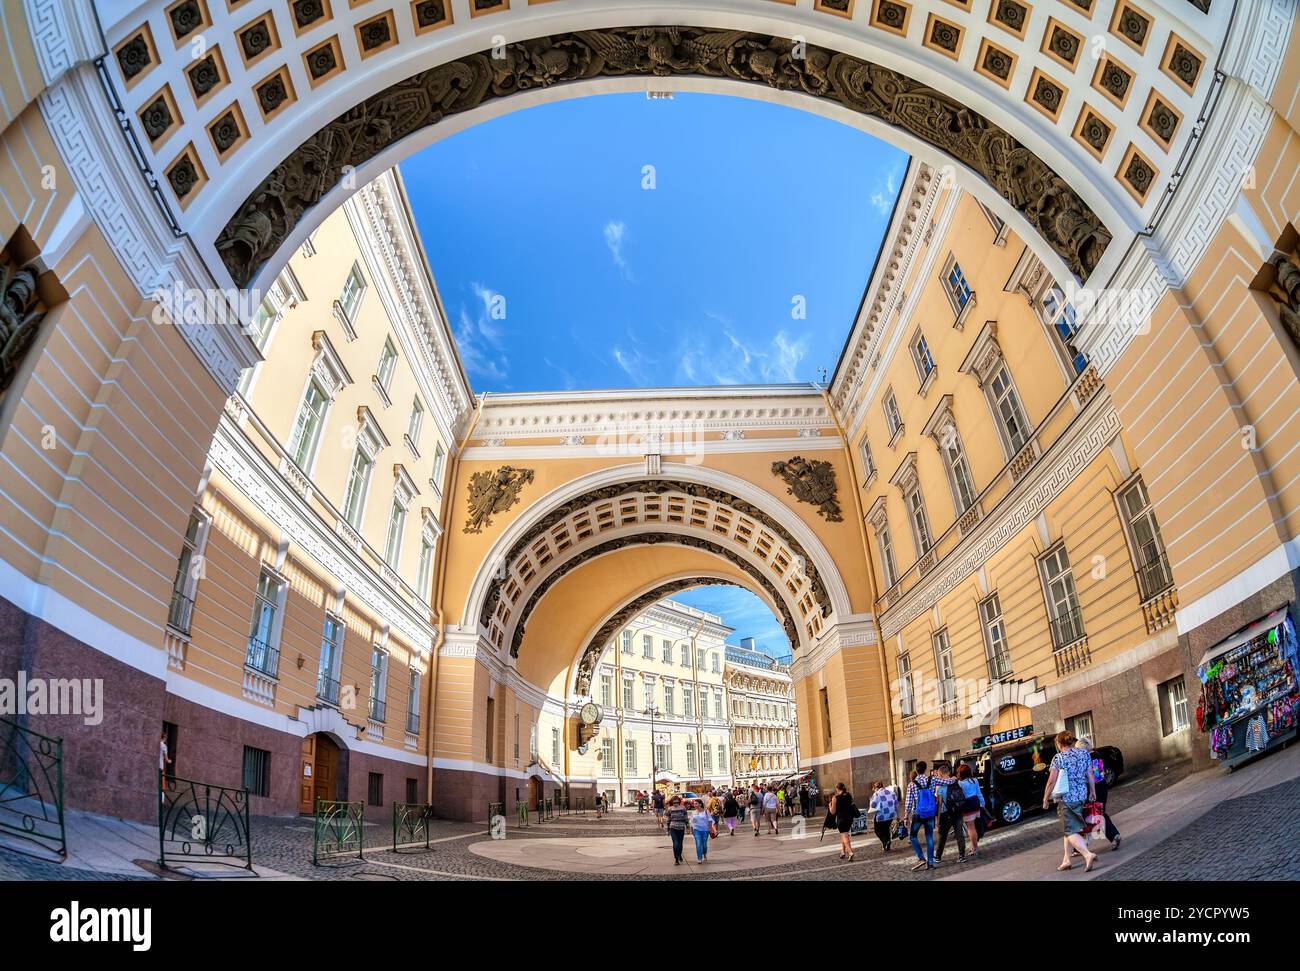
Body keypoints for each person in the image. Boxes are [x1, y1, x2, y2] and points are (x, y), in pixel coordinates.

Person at [1043, 729, 1099, 873]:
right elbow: (1090, 774)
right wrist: (1092, 791)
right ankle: (1066, 860)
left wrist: (1045, 798)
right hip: (1082, 794)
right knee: (1069, 828)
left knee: (1070, 830)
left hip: (1067, 797)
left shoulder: (1058, 758)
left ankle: (1087, 854)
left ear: (1059, 743)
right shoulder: (1084, 753)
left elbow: (1051, 781)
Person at [1078, 737, 1120, 850]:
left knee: (1095, 814)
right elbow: (1099, 774)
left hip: (1094, 789)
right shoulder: (1098, 755)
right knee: (1100, 812)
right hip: (1102, 787)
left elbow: (1091, 776)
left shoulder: (1088, 758)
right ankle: (1113, 835)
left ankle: (1113, 835)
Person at [904, 760, 940, 872]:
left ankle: (921, 858)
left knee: (913, 836)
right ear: (925, 769)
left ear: (916, 770)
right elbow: (945, 781)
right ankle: (930, 863)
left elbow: (908, 802)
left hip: (918, 813)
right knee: (929, 837)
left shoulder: (912, 784)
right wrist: (952, 779)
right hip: (930, 813)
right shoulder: (932, 779)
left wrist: (906, 816)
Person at [934, 763, 966, 864]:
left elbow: (939, 805)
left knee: (942, 836)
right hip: (958, 812)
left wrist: (937, 819)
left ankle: (938, 857)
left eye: (939, 775)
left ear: (941, 774)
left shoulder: (940, 788)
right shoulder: (957, 782)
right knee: (959, 834)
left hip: (945, 814)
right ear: (948, 772)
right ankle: (962, 856)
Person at [955, 764, 984, 857]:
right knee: (974, 827)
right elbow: (979, 793)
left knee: (970, 828)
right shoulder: (974, 780)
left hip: (967, 806)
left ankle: (975, 848)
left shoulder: (960, 783)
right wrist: (982, 803)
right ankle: (973, 847)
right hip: (976, 804)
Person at [829, 782, 857, 861]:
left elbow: (832, 812)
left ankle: (850, 852)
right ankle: (843, 852)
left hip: (841, 819)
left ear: (837, 789)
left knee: (845, 836)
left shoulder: (835, 798)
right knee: (844, 834)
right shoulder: (848, 795)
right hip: (849, 818)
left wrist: (830, 806)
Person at [868, 780, 896, 853]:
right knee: (886, 829)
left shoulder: (877, 794)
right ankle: (887, 845)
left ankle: (885, 841)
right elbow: (896, 803)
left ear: (875, 788)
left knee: (877, 830)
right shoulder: (891, 792)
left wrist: (872, 801)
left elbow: (873, 805)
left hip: (882, 815)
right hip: (891, 814)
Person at [690, 799, 716, 863]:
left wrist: (710, 828)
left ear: (700, 804)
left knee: (704, 844)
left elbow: (710, 820)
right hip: (696, 830)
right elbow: (692, 822)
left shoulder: (706, 811)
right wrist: (691, 830)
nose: (694, 805)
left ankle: (704, 854)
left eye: (696, 803)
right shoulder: (694, 812)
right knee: (698, 844)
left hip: (705, 830)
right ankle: (699, 858)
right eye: (694, 804)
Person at [665, 795, 688, 865]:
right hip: (673, 828)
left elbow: (685, 817)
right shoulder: (670, 809)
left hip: (681, 827)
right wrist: (668, 829)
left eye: (677, 802)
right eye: (674, 802)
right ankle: (676, 859)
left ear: (679, 802)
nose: (676, 804)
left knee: (680, 843)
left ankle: (679, 855)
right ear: (672, 802)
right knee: (675, 843)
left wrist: (688, 826)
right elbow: (668, 819)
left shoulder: (683, 808)